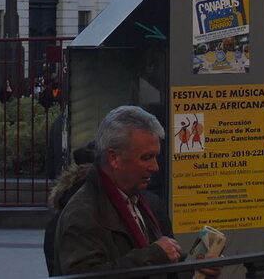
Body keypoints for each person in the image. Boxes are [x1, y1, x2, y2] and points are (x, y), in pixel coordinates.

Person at [50, 106, 196, 275]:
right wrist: (153, 255)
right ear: (114, 158)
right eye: (146, 157)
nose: (155, 167)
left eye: (156, 157)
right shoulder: (82, 214)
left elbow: (165, 264)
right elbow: (86, 274)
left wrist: (196, 268)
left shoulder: (146, 202)